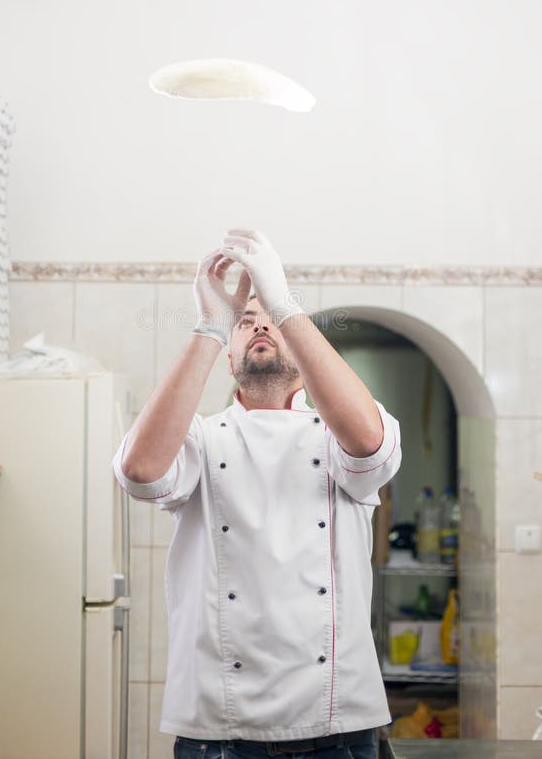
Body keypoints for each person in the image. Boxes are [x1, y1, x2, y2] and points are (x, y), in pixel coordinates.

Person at [112, 229, 402, 759]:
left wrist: (285, 303)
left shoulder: (337, 437)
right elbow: (139, 470)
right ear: (228, 358)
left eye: (273, 320)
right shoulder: (199, 438)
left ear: (307, 354)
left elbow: (368, 442)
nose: (261, 325)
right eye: (247, 323)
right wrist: (212, 324)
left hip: (337, 723)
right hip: (220, 732)